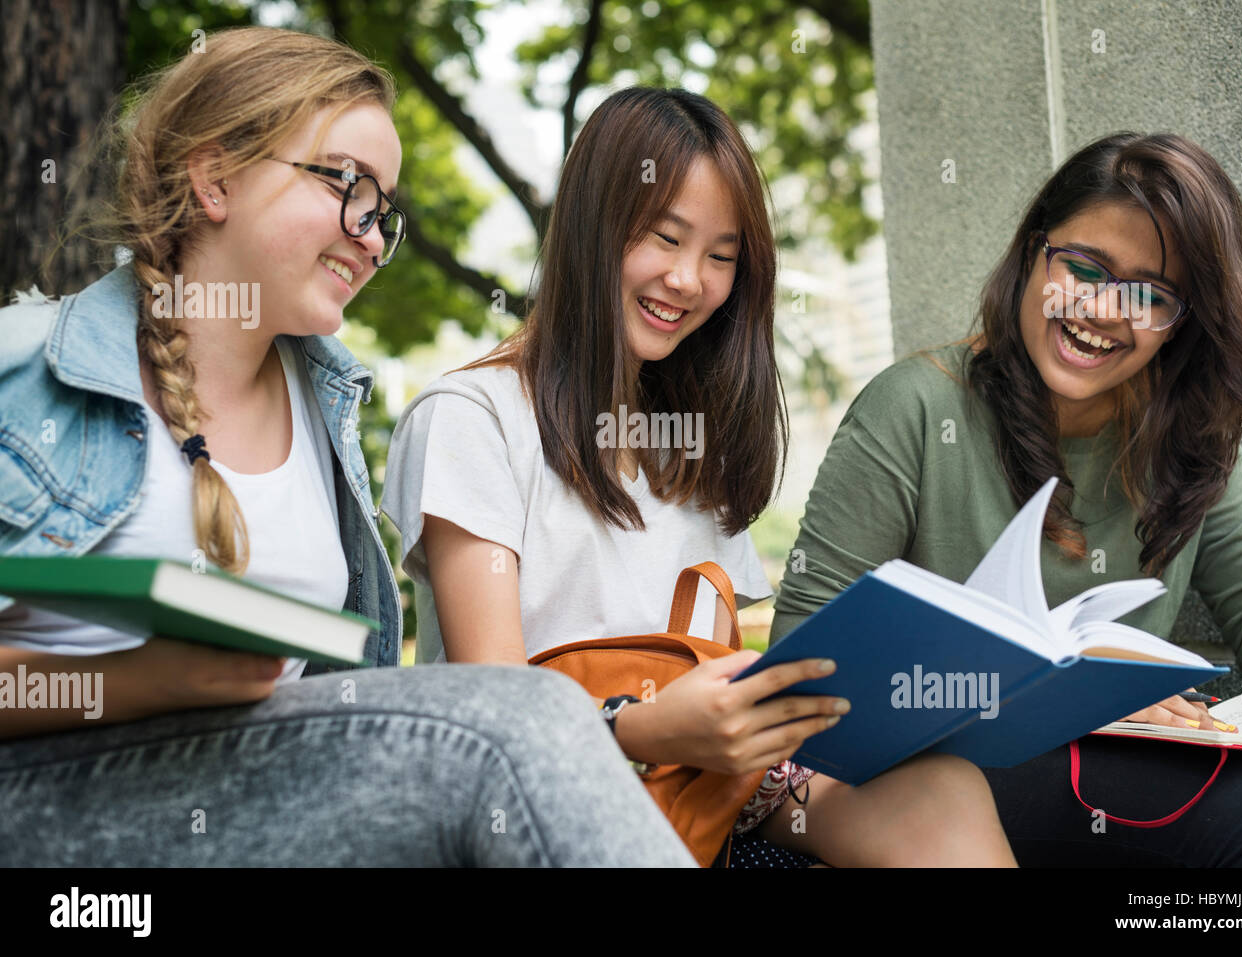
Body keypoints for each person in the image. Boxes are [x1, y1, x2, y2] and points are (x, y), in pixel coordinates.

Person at [0, 26, 694, 868]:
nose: (371, 234)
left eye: (384, 209)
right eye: (346, 185)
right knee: (521, 718)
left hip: (262, 804)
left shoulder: (326, 409)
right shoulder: (25, 364)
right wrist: (148, 679)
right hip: (58, 811)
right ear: (214, 177)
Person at [383, 86, 1017, 867]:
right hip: (537, 817)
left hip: (704, 804)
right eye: (665, 237)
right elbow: (498, 721)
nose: (689, 280)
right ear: (592, 226)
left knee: (946, 791)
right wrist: (645, 726)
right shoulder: (472, 416)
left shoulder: (694, 448)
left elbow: (714, 687)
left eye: (721, 256)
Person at [770, 131, 1242, 866]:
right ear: (1033, 253)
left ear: (1180, 323)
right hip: (934, 782)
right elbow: (799, 665)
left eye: (1149, 294)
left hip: (1109, 771)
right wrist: (1060, 698)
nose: (1106, 310)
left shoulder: (1190, 437)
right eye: (1086, 268)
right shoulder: (917, 408)